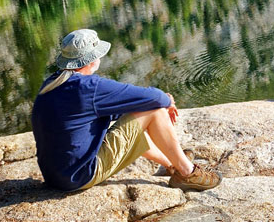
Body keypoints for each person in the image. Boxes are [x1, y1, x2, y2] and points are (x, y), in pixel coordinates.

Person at [31, 29, 221, 192]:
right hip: (80, 176)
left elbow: (110, 113)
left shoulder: (52, 84)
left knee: (135, 117)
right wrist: (167, 100)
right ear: (91, 60)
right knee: (155, 111)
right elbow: (156, 99)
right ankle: (188, 173)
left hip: (55, 176)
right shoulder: (89, 87)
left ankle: (171, 164)